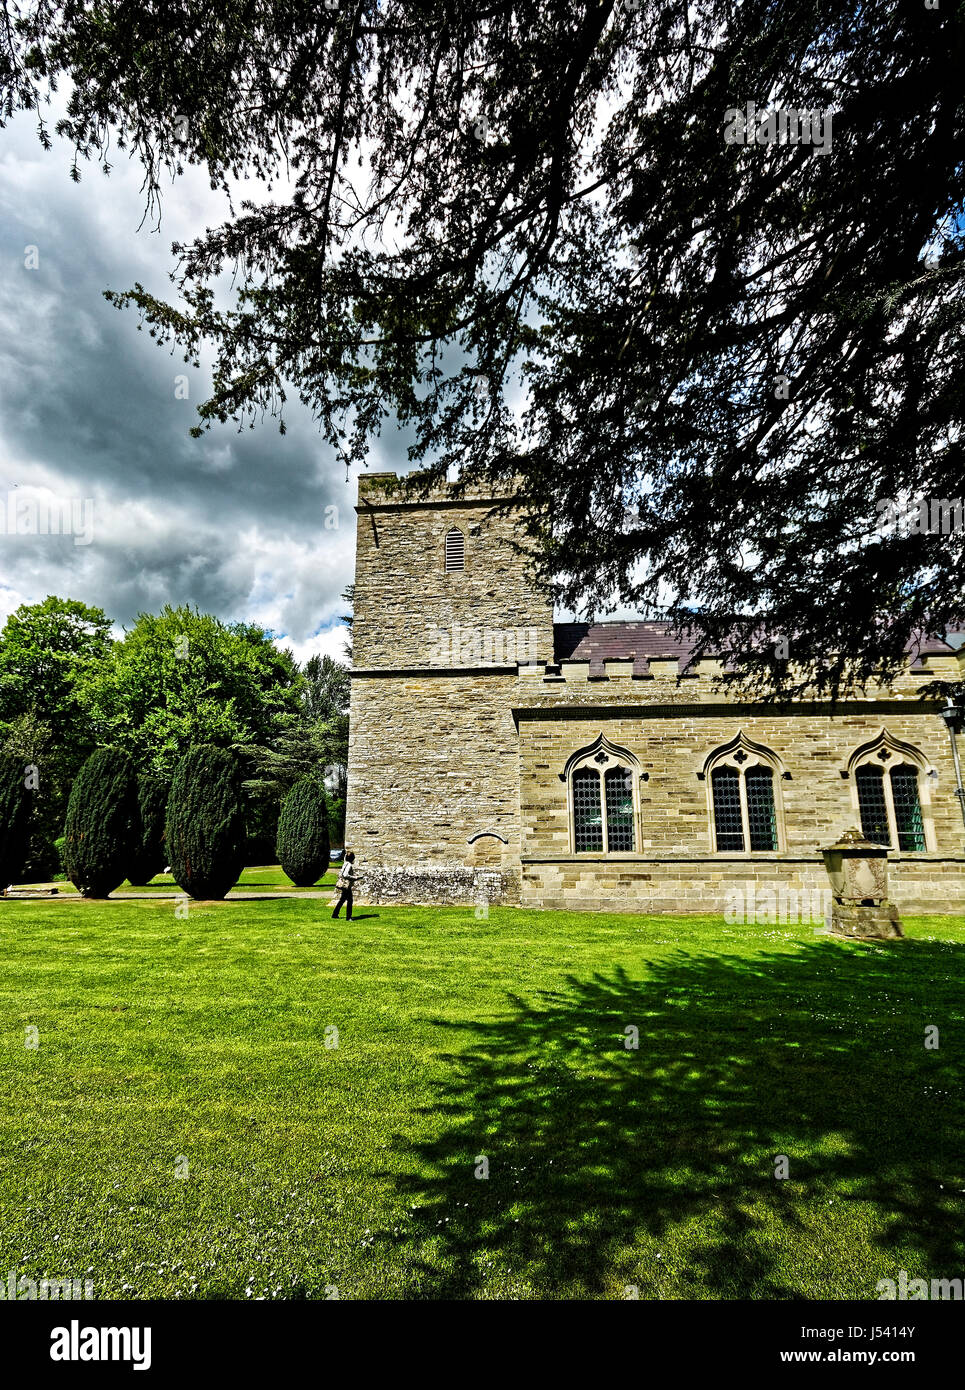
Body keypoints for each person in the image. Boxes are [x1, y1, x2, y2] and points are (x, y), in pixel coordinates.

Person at [331, 851, 356, 920]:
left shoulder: (345, 864)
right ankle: (348, 917)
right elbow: (345, 874)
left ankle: (335, 914)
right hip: (346, 885)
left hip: (343, 884)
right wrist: (354, 877)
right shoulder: (349, 865)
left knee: (342, 899)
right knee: (350, 900)